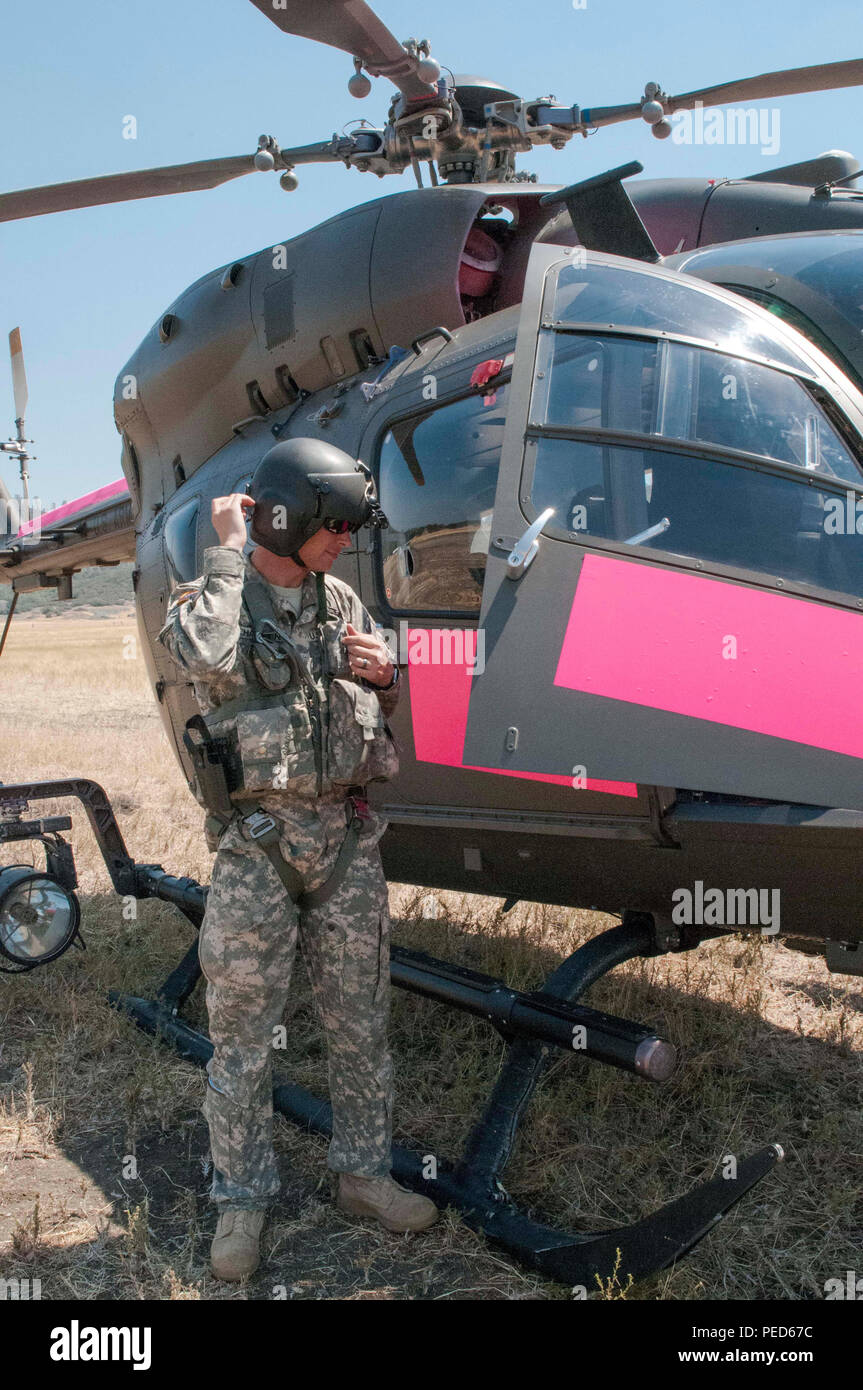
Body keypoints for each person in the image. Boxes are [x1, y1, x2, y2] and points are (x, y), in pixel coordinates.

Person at [158, 438, 438, 1282]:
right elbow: (199, 656)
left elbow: (377, 689)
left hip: (345, 842)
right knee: (243, 1039)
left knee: (361, 1024)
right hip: (258, 851)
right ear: (287, 516)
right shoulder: (216, 592)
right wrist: (221, 550)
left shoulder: (340, 597)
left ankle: (362, 1175)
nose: (344, 539)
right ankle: (241, 1200)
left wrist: (388, 676)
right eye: (333, 524)